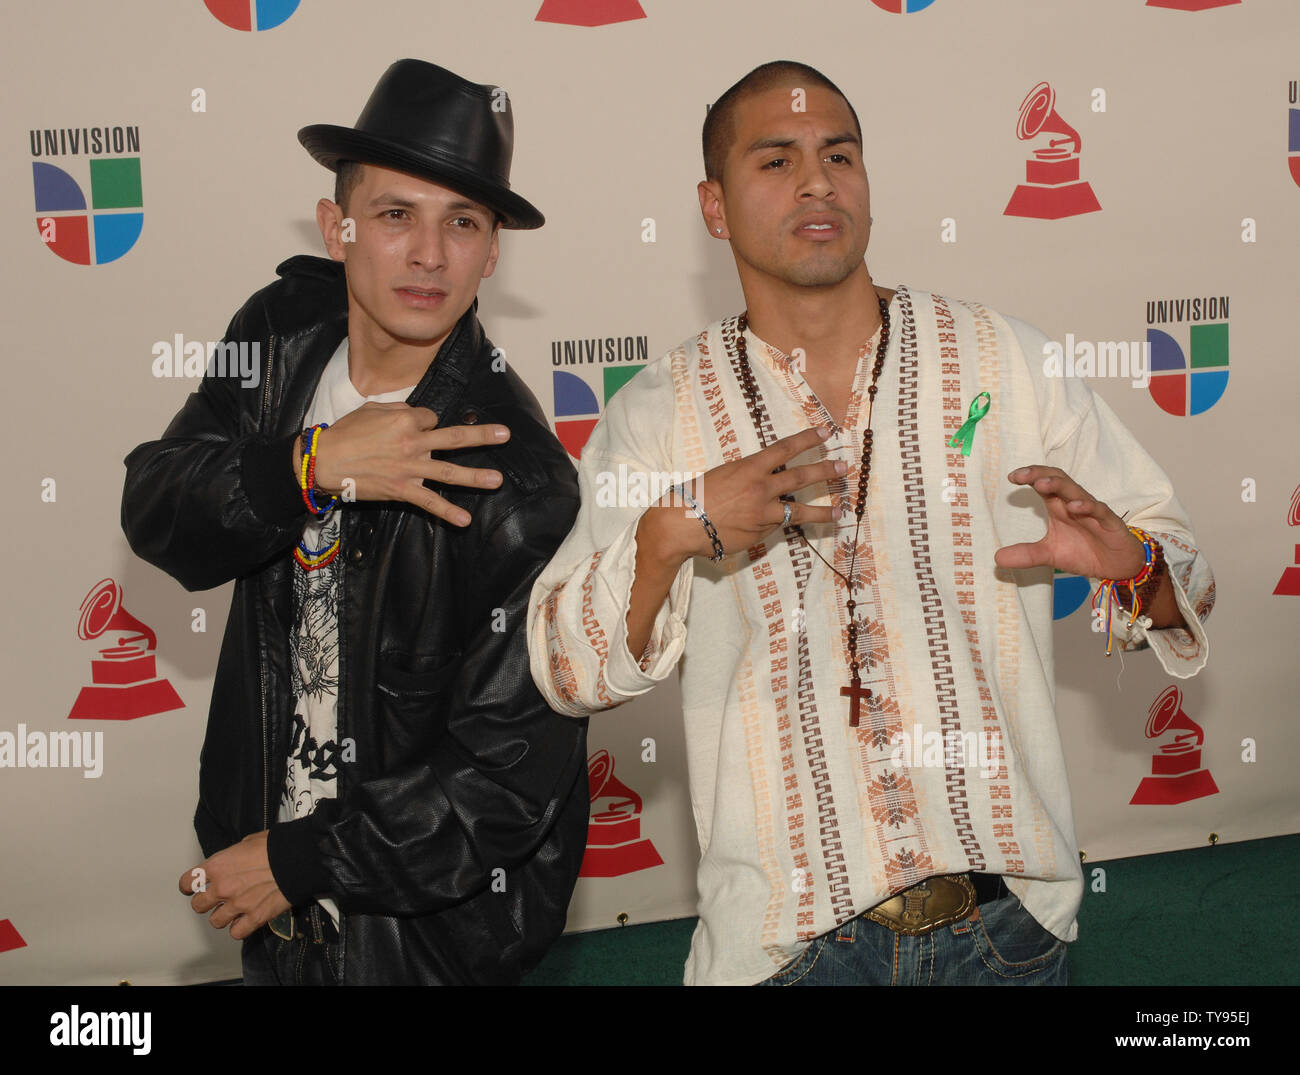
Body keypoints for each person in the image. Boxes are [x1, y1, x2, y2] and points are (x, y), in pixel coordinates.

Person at [527, 60, 1212, 986]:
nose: (817, 181)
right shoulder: (660, 415)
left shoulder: (1003, 360)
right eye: (776, 160)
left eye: (839, 155)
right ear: (713, 206)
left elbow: (1186, 574)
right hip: (785, 948)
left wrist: (1137, 571)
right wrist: (675, 530)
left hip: (1006, 929)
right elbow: (564, 666)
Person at [122, 59, 588, 985]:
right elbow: (159, 508)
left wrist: (295, 862)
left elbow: (503, 781)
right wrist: (312, 464)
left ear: (493, 251)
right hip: (274, 904)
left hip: (419, 942)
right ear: (336, 226)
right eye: (394, 215)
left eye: (462, 222)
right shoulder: (281, 332)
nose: (428, 254)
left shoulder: (518, 477)